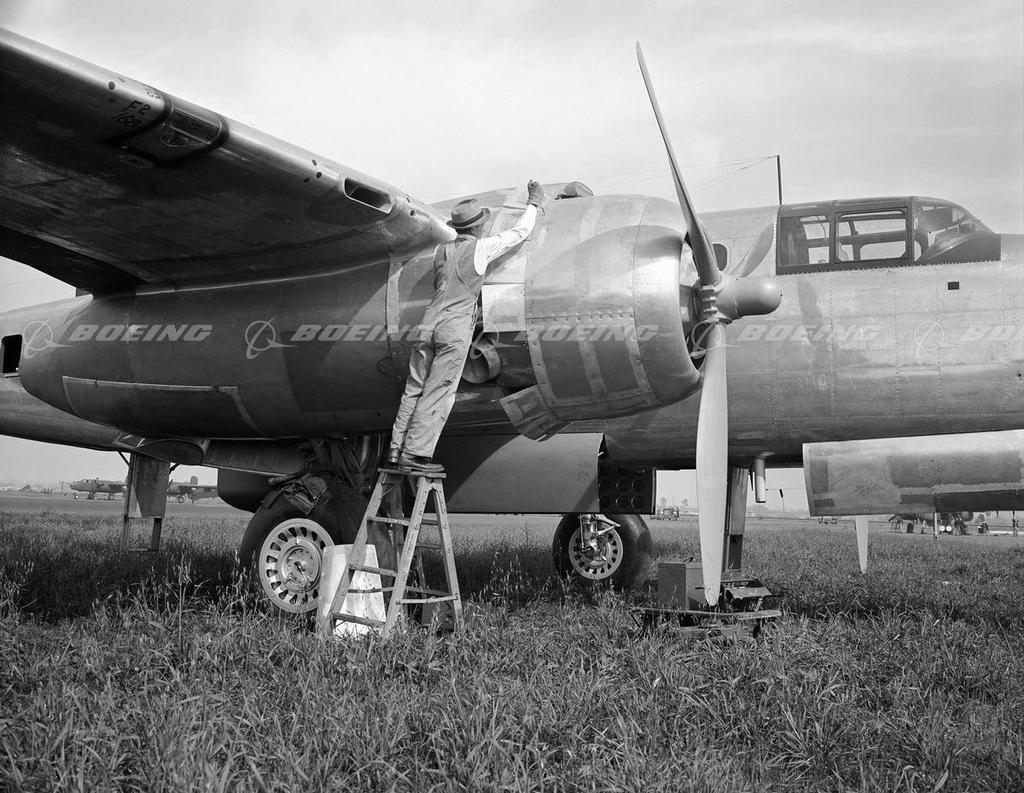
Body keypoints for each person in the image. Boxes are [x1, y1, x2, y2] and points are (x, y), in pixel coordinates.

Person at [388, 180, 544, 473]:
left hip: (427, 326)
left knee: (414, 389)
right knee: (439, 391)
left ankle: (396, 451)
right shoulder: (480, 249)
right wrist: (533, 202)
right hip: (453, 330)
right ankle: (416, 455)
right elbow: (520, 233)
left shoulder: (442, 252)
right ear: (476, 228)